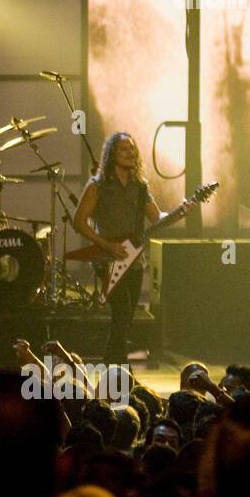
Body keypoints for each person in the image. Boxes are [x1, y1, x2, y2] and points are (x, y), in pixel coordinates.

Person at [72, 132, 194, 365]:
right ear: (111, 154)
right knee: (121, 312)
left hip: (135, 260)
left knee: (126, 319)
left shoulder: (140, 187)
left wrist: (181, 211)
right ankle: (117, 370)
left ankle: (113, 368)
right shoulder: (97, 186)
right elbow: (79, 223)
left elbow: (157, 217)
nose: (131, 153)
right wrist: (107, 245)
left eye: (132, 149)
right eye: (124, 149)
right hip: (107, 259)